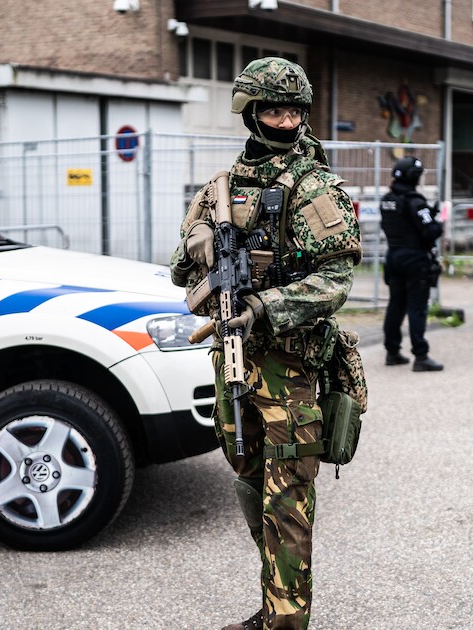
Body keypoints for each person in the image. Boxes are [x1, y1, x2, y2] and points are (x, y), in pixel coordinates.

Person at [168, 57, 361, 630]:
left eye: (294, 110)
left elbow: (336, 279)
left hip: (292, 369)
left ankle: (286, 624)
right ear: (249, 113)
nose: (286, 121)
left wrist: (263, 308)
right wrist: (197, 241)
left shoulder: (314, 187)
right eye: (274, 109)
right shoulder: (219, 191)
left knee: (288, 498)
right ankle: (274, 605)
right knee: (250, 483)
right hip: (234, 365)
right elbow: (180, 273)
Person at [380, 155, 445, 372]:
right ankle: (421, 356)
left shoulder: (387, 200)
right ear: (415, 177)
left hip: (393, 257)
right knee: (417, 307)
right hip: (415, 260)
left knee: (396, 305)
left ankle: (392, 351)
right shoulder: (415, 201)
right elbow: (431, 231)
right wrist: (439, 220)